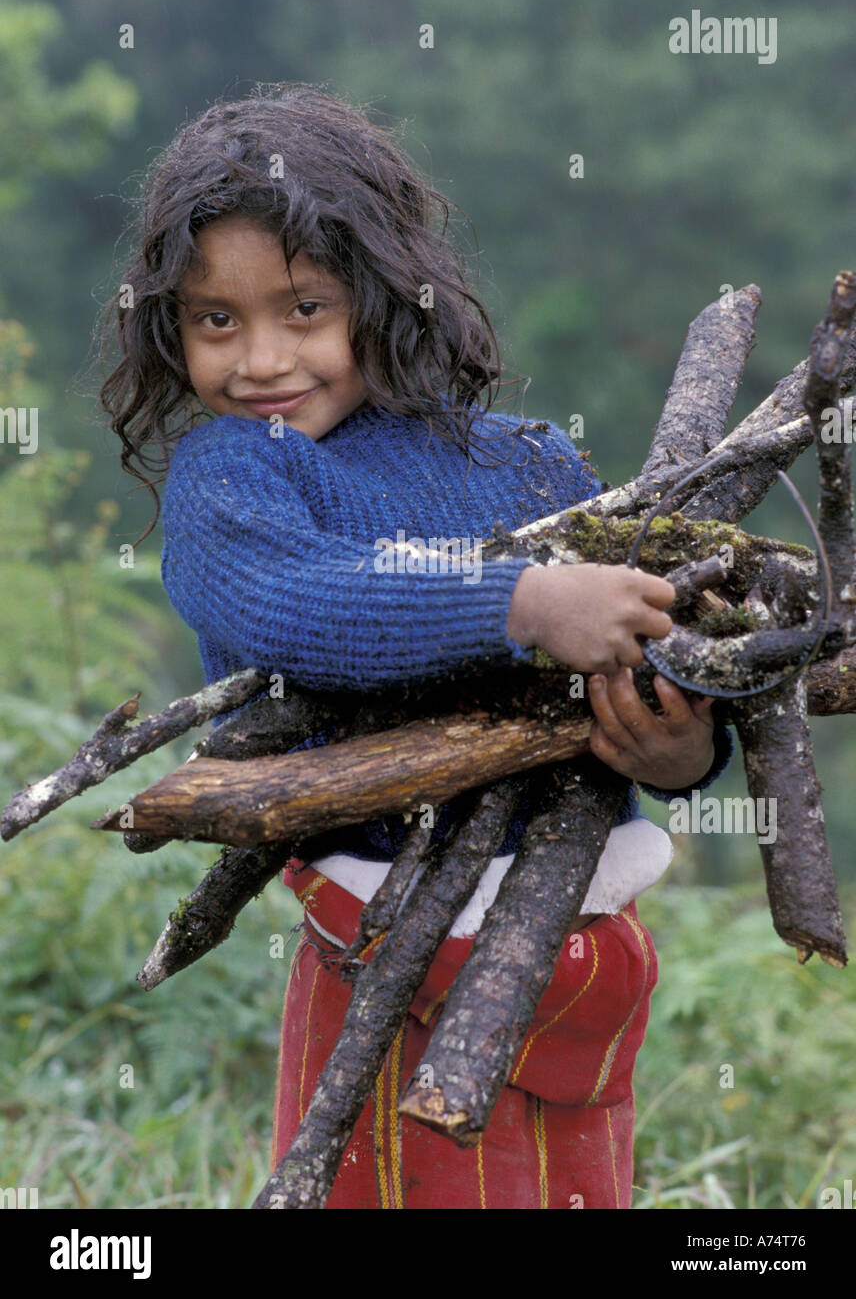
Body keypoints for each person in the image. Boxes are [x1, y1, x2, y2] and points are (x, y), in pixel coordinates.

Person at [99, 81, 733, 1209]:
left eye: (304, 309)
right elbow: (285, 596)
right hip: (388, 957)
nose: (258, 361)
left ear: (391, 295)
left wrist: (677, 752)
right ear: (171, 326)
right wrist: (522, 605)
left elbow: (650, 683)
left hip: (581, 944)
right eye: (215, 321)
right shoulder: (240, 471)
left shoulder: (533, 461)